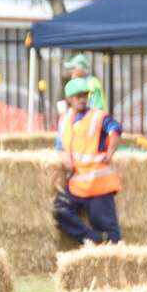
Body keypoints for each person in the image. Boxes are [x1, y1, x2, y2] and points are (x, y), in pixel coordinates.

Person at [52, 76, 122, 245]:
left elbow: (115, 130)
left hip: (98, 185)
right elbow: (60, 146)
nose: (83, 99)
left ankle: (109, 245)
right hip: (77, 184)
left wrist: (110, 152)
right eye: (79, 96)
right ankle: (92, 238)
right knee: (59, 210)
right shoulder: (64, 121)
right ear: (69, 99)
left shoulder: (98, 116)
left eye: (85, 95)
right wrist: (65, 160)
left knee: (109, 230)